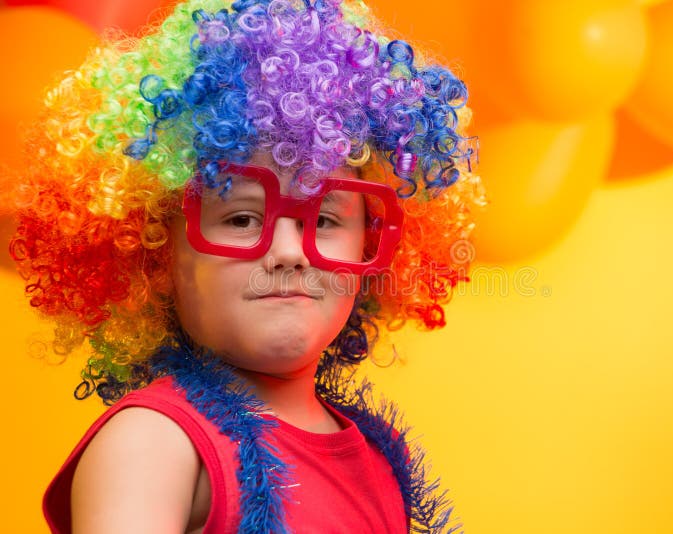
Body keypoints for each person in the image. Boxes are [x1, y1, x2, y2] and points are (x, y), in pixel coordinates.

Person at [4, 0, 483, 532]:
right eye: (241, 219)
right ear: (154, 252)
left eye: (324, 219)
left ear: (369, 246)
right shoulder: (154, 443)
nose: (289, 252)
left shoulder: (378, 456)